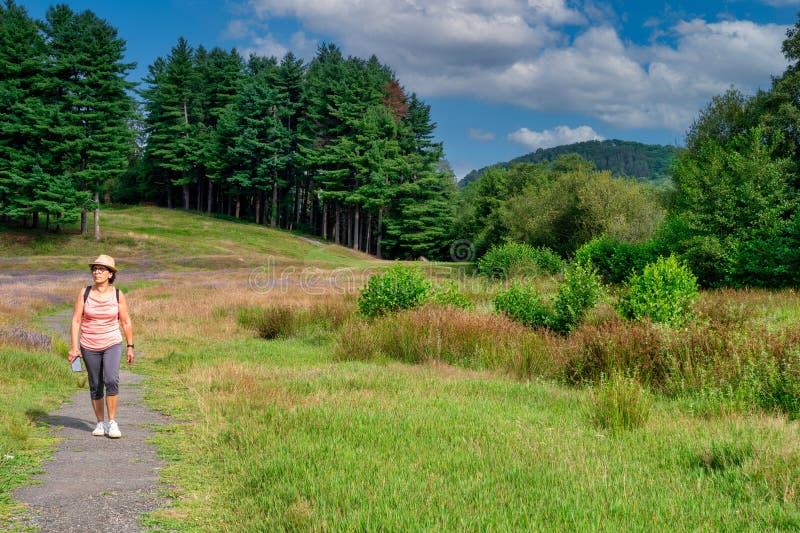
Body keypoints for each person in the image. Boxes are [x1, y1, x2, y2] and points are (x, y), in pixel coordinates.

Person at [67, 255, 135, 439]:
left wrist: (130, 346)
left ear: (110, 274)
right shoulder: (84, 293)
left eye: (101, 269)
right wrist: (74, 347)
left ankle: (112, 422)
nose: (97, 272)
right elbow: (75, 321)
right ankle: (100, 422)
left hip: (112, 342)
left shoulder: (118, 294)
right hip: (89, 344)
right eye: (95, 269)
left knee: (111, 379)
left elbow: (126, 322)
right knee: (95, 384)